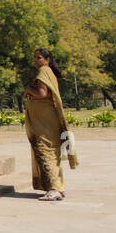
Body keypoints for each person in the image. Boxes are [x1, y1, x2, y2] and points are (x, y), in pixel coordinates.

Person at [24, 47, 78, 202]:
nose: (36, 60)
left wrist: (29, 89)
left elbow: (42, 94)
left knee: (45, 151)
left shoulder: (43, 72)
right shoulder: (49, 72)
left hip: (44, 123)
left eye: (39, 57)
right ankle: (57, 188)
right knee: (52, 153)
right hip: (47, 121)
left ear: (47, 60)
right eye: (34, 57)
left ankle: (54, 189)